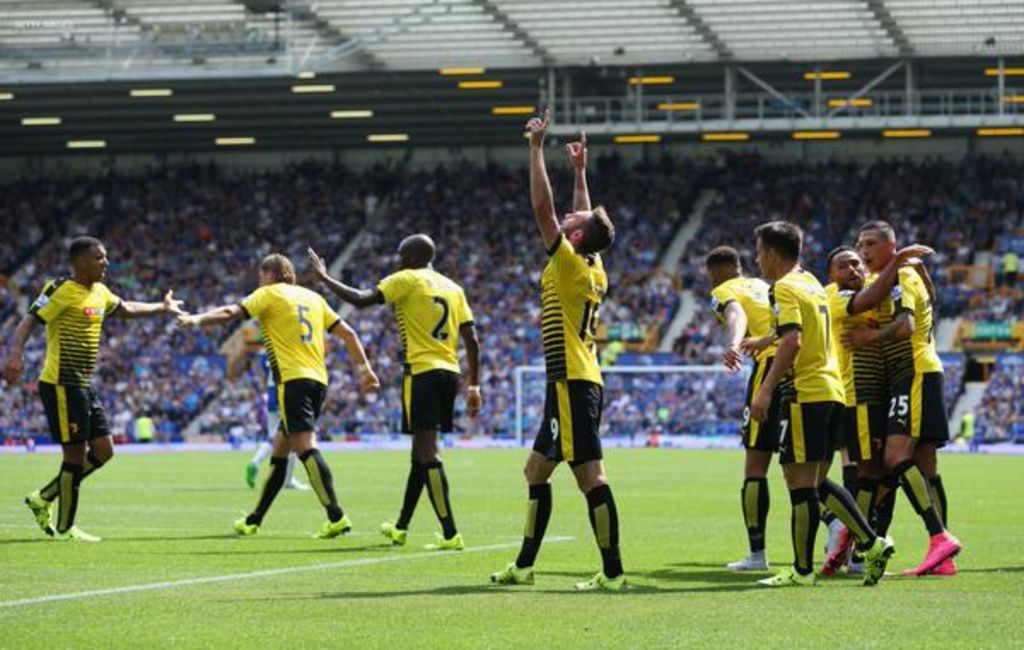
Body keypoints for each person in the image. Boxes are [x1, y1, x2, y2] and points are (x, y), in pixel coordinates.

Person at [490, 115, 625, 592]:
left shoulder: (568, 262)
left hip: (571, 379)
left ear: (576, 238)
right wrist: (581, 173)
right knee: (535, 470)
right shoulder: (593, 266)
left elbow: (543, 208)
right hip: (572, 379)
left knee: (590, 477)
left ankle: (612, 572)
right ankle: (525, 566)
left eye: (575, 222)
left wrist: (535, 148)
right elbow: (581, 219)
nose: (569, 218)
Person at [178, 253, 379, 538]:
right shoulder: (313, 298)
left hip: (292, 380)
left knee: (305, 445)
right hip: (318, 380)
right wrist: (364, 370)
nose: (260, 281)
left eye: (262, 276)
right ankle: (254, 519)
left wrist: (196, 319)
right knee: (280, 453)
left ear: (270, 275)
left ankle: (336, 516)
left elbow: (230, 313)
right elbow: (349, 334)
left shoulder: (268, 294)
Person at [3, 236, 185, 541]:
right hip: (61, 384)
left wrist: (162, 308)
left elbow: (125, 308)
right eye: (99, 258)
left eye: (105, 257)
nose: (106, 263)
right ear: (80, 261)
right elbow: (29, 321)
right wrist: (14, 354)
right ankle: (64, 529)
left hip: (84, 384)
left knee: (104, 450)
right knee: (74, 457)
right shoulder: (60, 289)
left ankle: (43, 497)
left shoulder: (100, 292)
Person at [308, 234, 481, 551]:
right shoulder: (453, 288)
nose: (397, 261)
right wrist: (474, 386)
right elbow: (472, 339)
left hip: (421, 372)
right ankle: (401, 526)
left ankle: (450, 532)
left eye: (401, 255)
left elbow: (361, 299)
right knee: (420, 454)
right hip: (450, 372)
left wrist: (324, 279)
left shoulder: (406, 278)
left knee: (428, 454)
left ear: (413, 258)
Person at [749, 221, 895, 587]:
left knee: (799, 484)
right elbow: (803, 331)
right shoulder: (811, 283)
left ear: (769, 252)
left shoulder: (782, 287)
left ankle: (801, 570)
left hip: (805, 391)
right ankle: (870, 542)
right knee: (814, 483)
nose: (756, 260)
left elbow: (793, 341)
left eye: (758, 252)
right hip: (834, 391)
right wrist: (765, 338)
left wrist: (765, 389)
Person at [846, 221, 962, 576]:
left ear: (890, 245)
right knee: (926, 465)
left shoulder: (903, 276)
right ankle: (943, 557)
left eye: (870, 244)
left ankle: (938, 537)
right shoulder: (896, 276)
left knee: (895, 457)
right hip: (913, 372)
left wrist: (871, 338)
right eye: (860, 243)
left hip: (913, 372)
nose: (863, 251)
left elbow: (905, 326)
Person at [819, 243, 933, 576]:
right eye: (845, 265)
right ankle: (850, 536)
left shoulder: (876, 286)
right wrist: (897, 262)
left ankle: (862, 540)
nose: (854, 269)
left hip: (874, 393)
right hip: (847, 393)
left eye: (857, 263)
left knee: (876, 472)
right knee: (849, 474)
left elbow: (912, 304)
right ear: (831, 275)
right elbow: (869, 301)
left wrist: (917, 273)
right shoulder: (834, 296)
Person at [703, 245, 779, 572]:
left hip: (769, 366)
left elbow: (736, 313)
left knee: (755, 467)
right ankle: (838, 531)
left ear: (716, 273)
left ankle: (757, 555)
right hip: (803, 365)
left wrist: (733, 343)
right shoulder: (764, 284)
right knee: (803, 467)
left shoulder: (723, 290)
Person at [246, 349, 309, 492]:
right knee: (292, 435)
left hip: (271, 396)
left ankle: (255, 462)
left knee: (273, 435)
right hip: (285, 394)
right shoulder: (287, 346)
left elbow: (260, 370)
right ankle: (287, 479)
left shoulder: (266, 351)